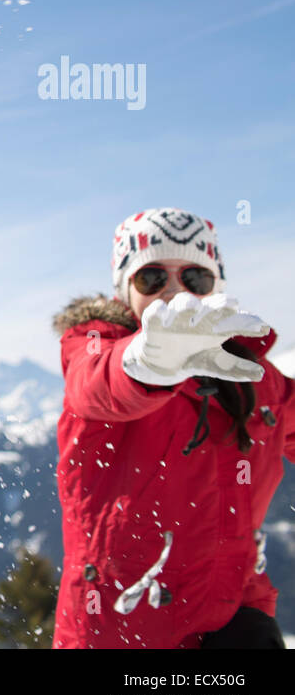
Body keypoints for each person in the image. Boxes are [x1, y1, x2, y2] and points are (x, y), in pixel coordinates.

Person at [51, 208, 293, 649]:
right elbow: (96, 384)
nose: (175, 293)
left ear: (215, 287)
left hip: (236, 618)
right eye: (152, 278)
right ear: (125, 290)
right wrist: (147, 365)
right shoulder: (95, 347)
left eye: (195, 279)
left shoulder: (251, 375)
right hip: (120, 626)